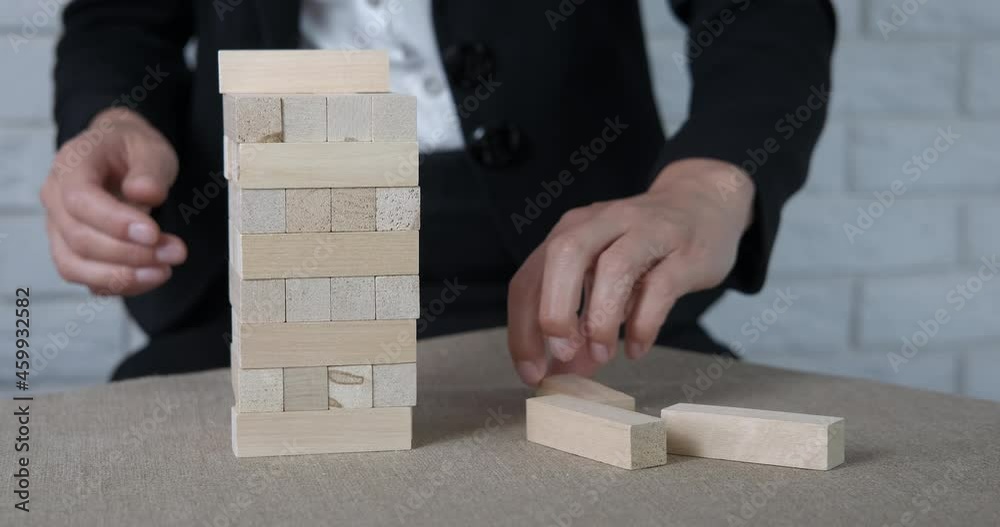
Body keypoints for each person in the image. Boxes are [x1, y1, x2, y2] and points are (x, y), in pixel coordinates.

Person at [42, 1, 835, 385]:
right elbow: (118, 17)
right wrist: (114, 115)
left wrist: (711, 179)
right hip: (259, 273)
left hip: (574, 270)